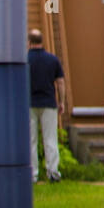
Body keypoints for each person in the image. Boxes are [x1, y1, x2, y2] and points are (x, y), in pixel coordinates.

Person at [28, 29, 66, 183]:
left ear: (29, 42)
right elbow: (61, 82)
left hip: (29, 104)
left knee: (31, 140)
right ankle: (53, 172)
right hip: (49, 104)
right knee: (50, 139)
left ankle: (33, 174)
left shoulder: (25, 59)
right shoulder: (52, 59)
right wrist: (61, 101)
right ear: (42, 41)